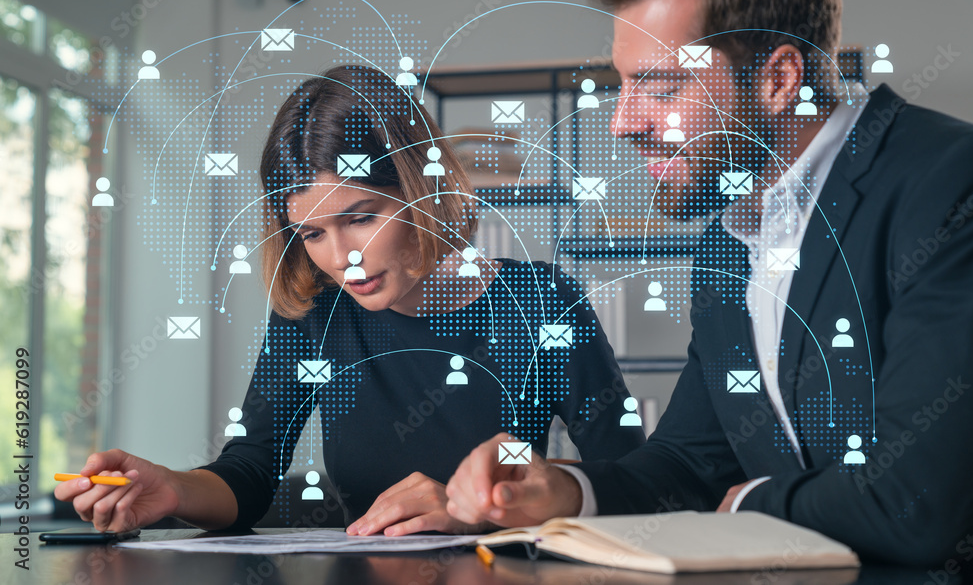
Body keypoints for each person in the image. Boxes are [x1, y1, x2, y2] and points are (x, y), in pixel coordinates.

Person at [446, 0, 973, 572]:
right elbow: (690, 461)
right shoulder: (726, 242)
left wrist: (746, 506)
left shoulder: (963, 185)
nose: (623, 123)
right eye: (623, 85)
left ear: (779, 78)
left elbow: (916, 503)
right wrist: (557, 489)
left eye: (660, 86)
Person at [55, 64, 644, 537]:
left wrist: (487, 504)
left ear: (422, 188)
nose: (341, 259)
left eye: (360, 218)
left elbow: (634, 482)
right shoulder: (315, 313)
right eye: (311, 234)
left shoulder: (542, 303)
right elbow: (252, 469)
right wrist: (174, 489)